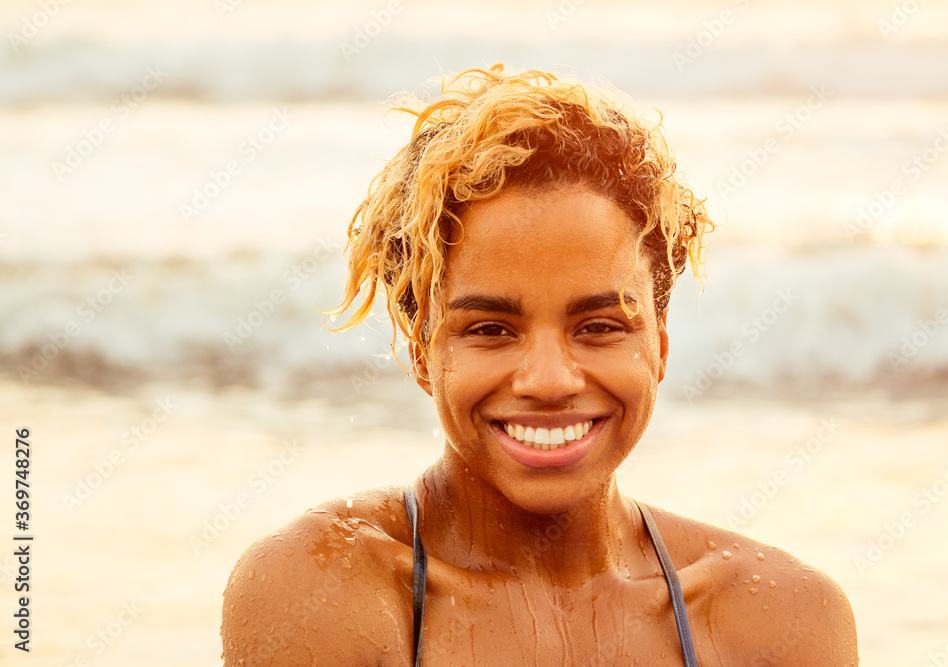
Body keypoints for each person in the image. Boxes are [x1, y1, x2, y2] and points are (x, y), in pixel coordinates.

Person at [221, 63, 858, 666]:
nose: (550, 380)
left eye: (599, 327)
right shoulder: (326, 591)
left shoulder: (777, 621)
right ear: (422, 351)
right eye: (491, 330)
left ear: (660, 345)